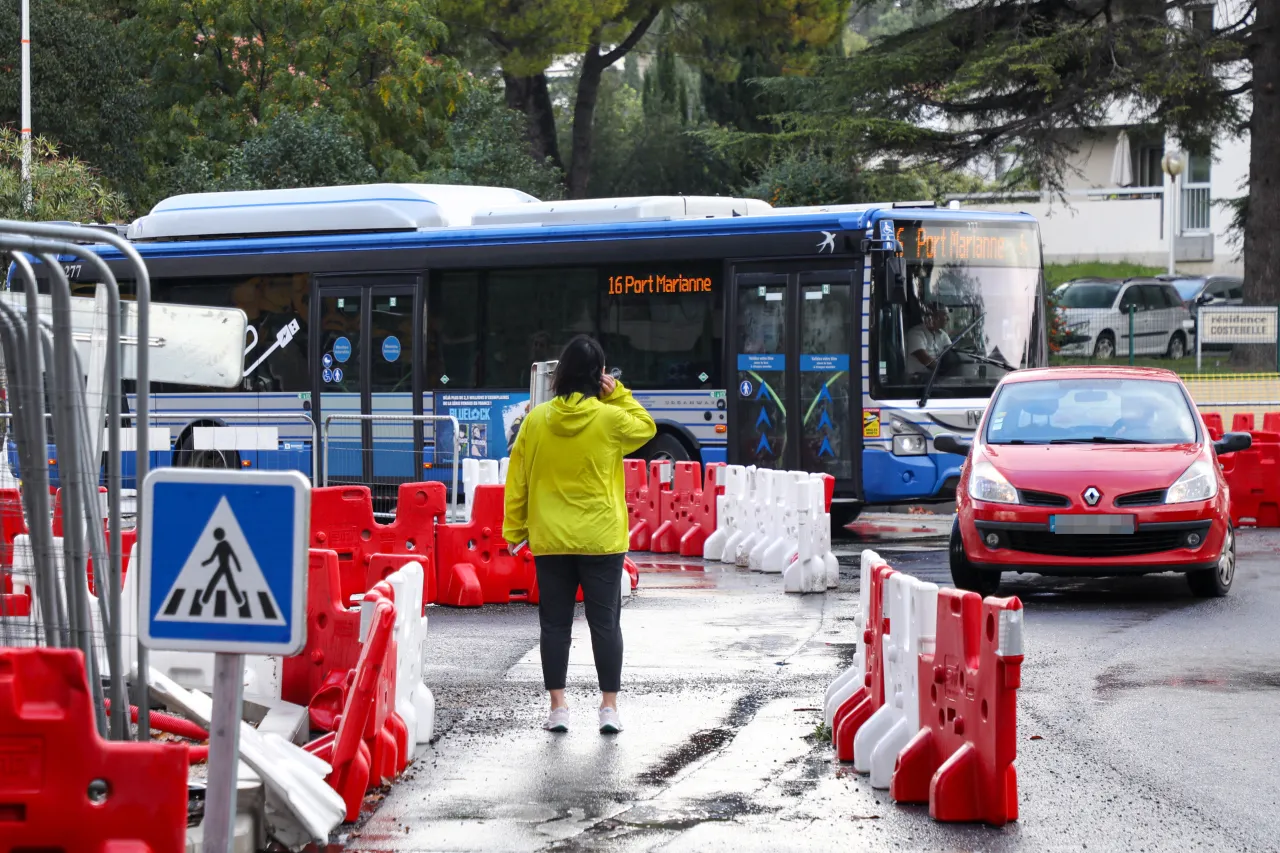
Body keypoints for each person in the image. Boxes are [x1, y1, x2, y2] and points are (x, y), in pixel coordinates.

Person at [503, 334, 656, 735]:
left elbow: (516, 479)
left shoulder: (536, 420)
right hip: (601, 537)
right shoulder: (609, 419)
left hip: (551, 538)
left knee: (554, 625)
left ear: (562, 374)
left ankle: (558, 708)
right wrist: (617, 393)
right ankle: (608, 708)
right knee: (605, 623)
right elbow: (647, 427)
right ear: (597, 376)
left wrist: (514, 529)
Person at [905, 301, 953, 377]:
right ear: (934, 316)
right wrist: (945, 370)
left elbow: (951, 353)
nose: (948, 319)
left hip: (935, 378)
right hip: (918, 380)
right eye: (945, 315)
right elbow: (926, 360)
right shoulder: (915, 333)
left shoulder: (943, 334)